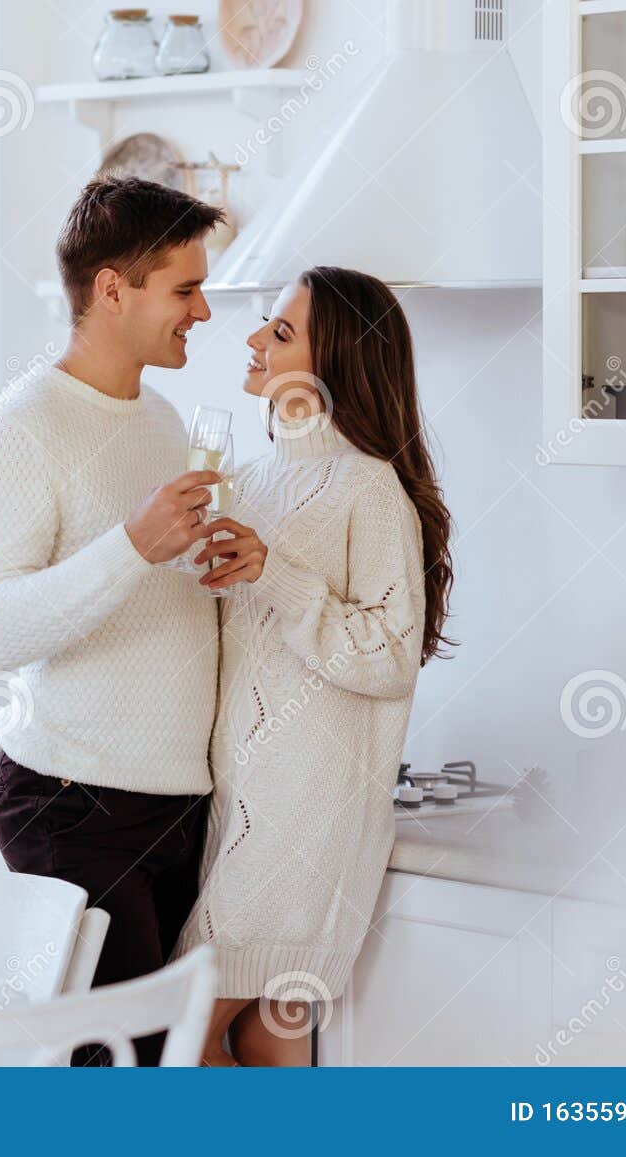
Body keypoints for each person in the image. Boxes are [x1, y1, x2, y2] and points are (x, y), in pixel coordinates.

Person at [0, 175, 230, 1065]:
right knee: (125, 1077)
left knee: (146, 1069)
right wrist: (134, 545)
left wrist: (221, 570)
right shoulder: (20, 429)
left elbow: (150, 604)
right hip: (76, 802)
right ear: (114, 290)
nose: (205, 311)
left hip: (176, 804)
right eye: (184, 289)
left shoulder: (163, 418)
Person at [172, 266, 456, 1066]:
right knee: (265, 1037)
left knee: (184, 1032)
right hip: (241, 807)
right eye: (267, 324)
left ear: (337, 364)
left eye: (283, 332)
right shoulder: (253, 482)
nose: (256, 339)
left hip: (305, 822)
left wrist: (276, 574)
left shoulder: (368, 489)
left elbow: (392, 655)